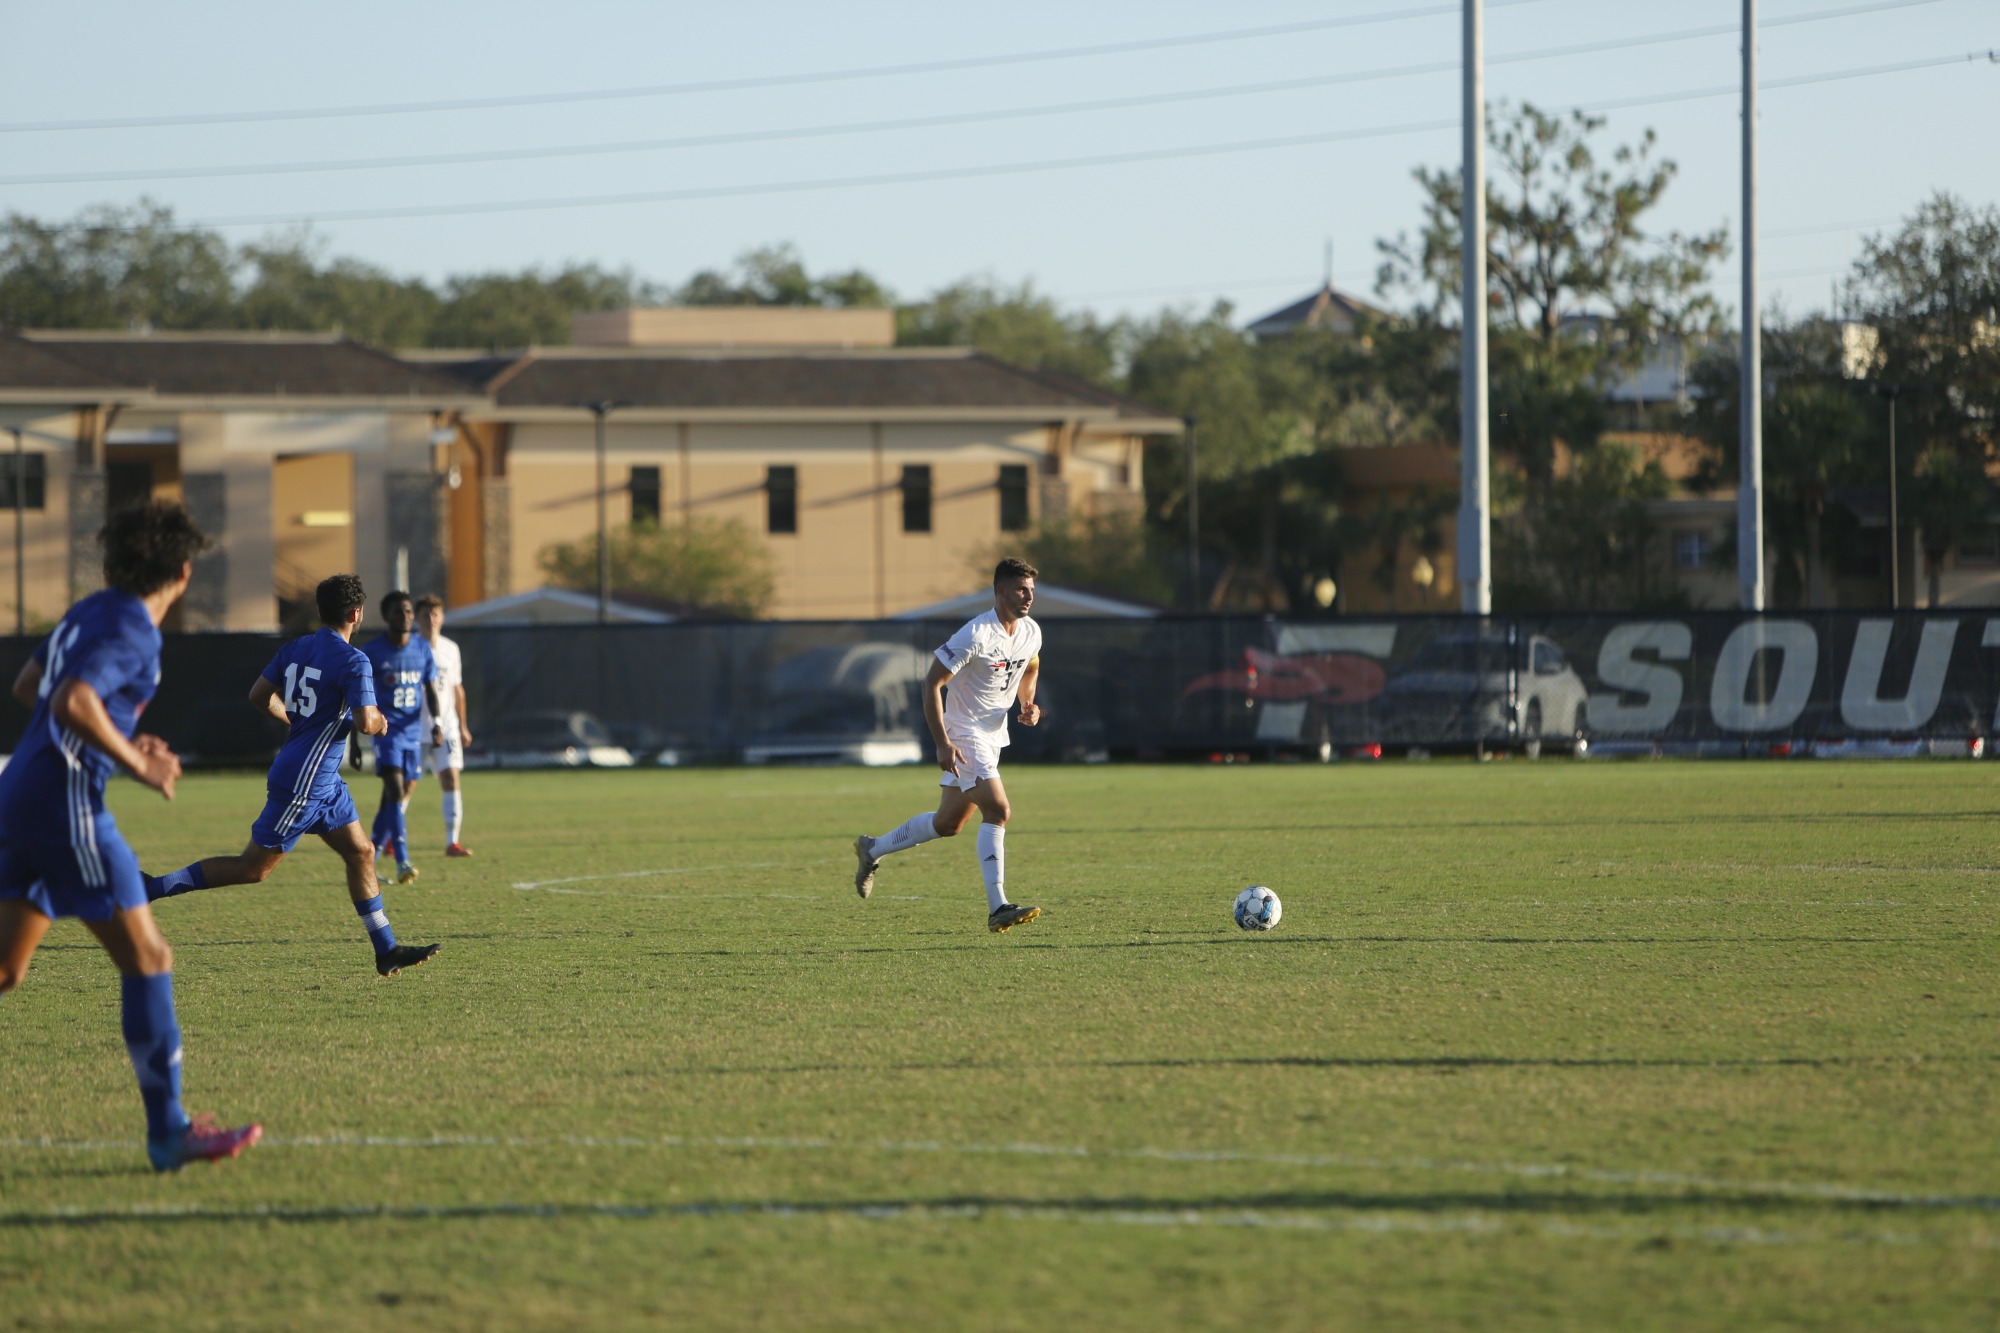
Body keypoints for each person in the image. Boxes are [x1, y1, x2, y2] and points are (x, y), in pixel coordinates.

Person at [0, 502, 261, 1171]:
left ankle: (170, 1130)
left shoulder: (90, 609)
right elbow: (71, 701)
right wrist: (135, 760)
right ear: (183, 571)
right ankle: (169, 1132)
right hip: (66, 806)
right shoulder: (135, 630)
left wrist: (118, 735)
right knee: (149, 957)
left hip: (19, 793)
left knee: (7, 969)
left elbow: (31, 684)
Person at [142, 574, 441, 979]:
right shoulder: (354, 661)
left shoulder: (296, 647)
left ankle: (386, 949)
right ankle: (151, 888)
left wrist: (296, 722)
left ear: (321, 610)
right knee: (252, 868)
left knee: (362, 852)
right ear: (357, 614)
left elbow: (258, 695)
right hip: (305, 782)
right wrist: (380, 722)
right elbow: (366, 722)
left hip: (323, 780)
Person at [852, 557, 1044, 933]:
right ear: (1001, 591)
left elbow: (1031, 666)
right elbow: (931, 684)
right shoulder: (975, 633)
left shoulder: (1031, 631)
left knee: (948, 823)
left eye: (1031, 590)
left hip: (993, 736)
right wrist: (942, 742)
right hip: (964, 733)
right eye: (1021, 589)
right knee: (999, 809)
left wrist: (1028, 702)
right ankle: (998, 907)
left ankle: (872, 848)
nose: (1029, 596)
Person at [351, 591, 443, 884]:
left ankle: (370, 860)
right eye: (398, 612)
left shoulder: (421, 647)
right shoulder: (372, 652)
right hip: (386, 733)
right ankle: (402, 860)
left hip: (413, 733)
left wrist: (437, 723)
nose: (405, 616)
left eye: (408, 611)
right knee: (394, 788)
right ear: (385, 616)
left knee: (392, 799)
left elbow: (430, 689)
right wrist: (355, 741)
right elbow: (358, 697)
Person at [413, 594, 472, 857]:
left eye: (435, 614)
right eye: (426, 614)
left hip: (446, 726)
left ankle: (452, 841)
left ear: (442, 618)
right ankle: (391, 837)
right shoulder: (410, 646)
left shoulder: (450, 648)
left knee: (451, 777)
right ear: (417, 618)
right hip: (415, 727)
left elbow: (457, 689)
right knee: (406, 784)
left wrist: (463, 726)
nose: (431, 619)